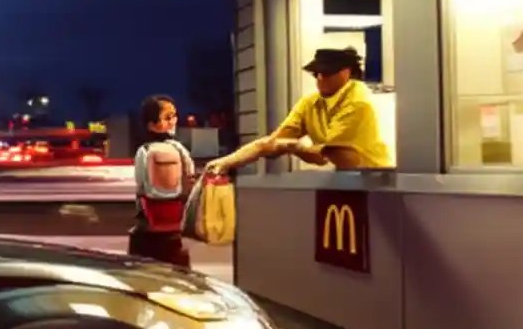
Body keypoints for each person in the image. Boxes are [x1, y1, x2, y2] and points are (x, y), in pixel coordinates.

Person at [207, 48, 390, 174]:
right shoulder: (311, 102)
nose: (320, 78)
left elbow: (326, 156)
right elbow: (272, 143)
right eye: (316, 73)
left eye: (327, 73)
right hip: (347, 178)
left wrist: (292, 146)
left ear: (346, 72)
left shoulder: (358, 100)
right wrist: (225, 163)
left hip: (375, 178)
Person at [128, 94, 195, 268]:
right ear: (151, 123)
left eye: (174, 116)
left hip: (149, 222)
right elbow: (190, 175)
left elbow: (141, 184)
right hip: (175, 219)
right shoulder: (179, 149)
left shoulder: (144, 150)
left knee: (143, 268)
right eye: (167, 117)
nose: (173, 121)